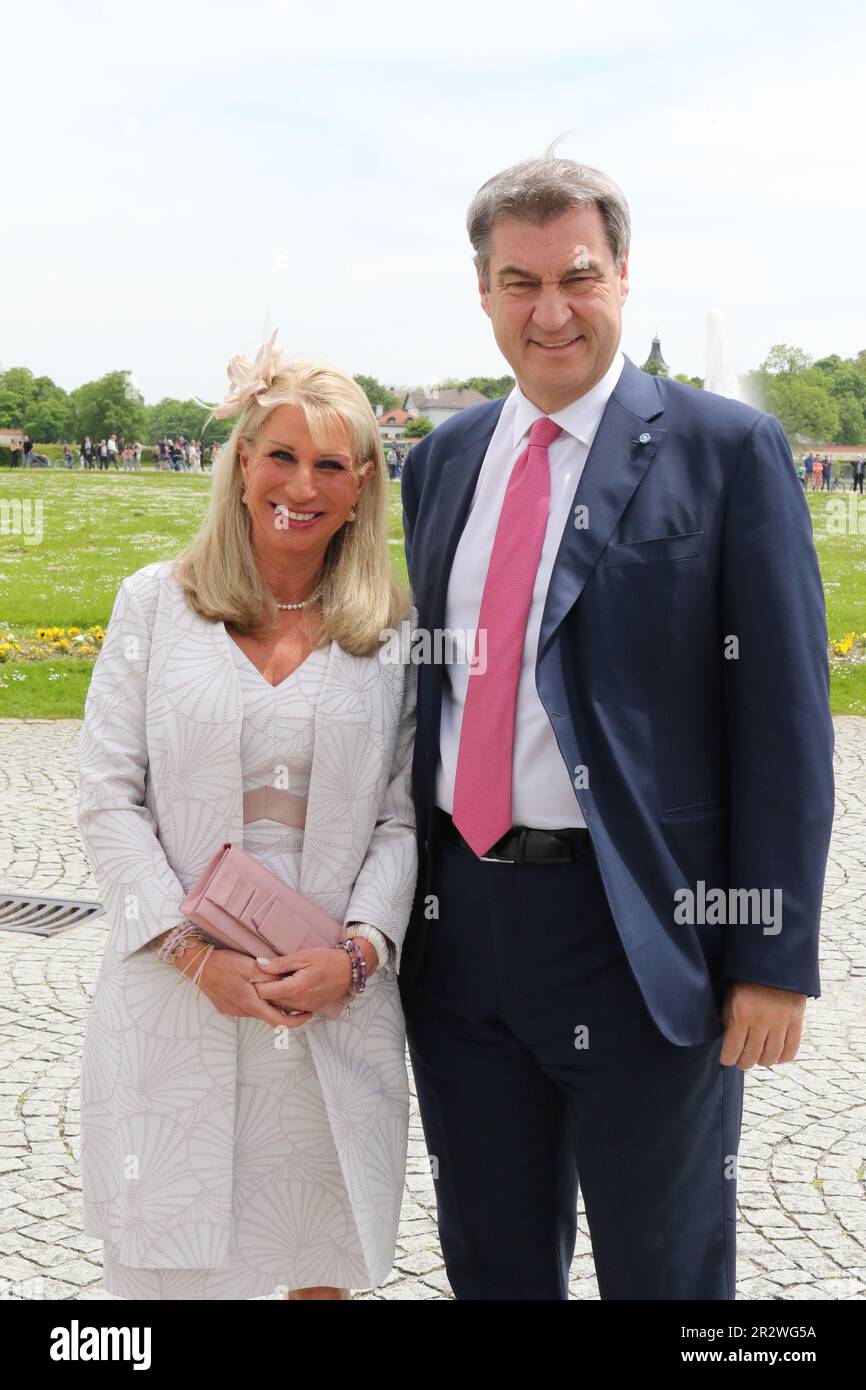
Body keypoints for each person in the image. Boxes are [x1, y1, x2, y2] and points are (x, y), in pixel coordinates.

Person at [398, 153, 834, 1301]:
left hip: (639, 928)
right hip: (462, 933)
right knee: (490, 1262)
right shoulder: (439, 464)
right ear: (482, 290)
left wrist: (771, 958)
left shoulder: (726, 451)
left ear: (623, 277)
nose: (550, 311)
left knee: (665, 1269)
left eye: (577, 277)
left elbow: (785, 720)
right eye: (519, 281)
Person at [77, 334, 418, 1301]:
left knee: (319, 1268)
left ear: (360, 487)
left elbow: (402, 822)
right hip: (174, 991)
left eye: (328, 464)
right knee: (166, 1272)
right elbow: (107, 791)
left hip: (328, 1003)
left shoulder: (392, 630)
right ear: (238, 468)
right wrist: (191, 951)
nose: (299, 485)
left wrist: (357, 955)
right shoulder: (154, 604)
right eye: (280, 454)